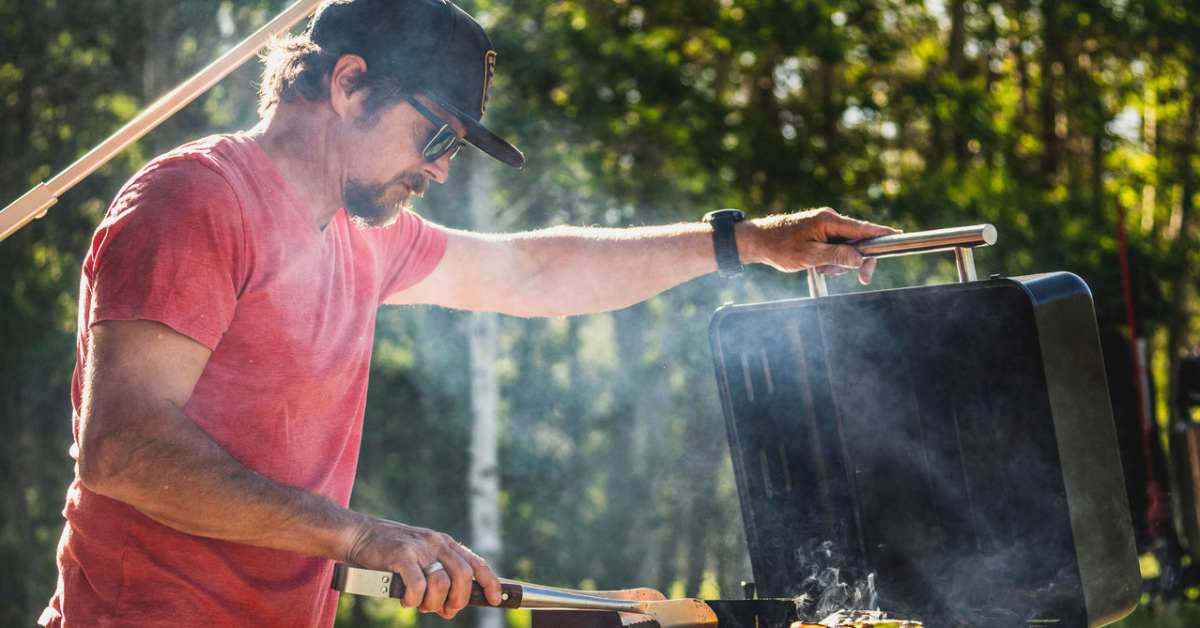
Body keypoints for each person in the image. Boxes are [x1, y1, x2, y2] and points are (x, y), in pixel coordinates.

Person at [39, 0, 897, 626]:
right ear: (347, 85)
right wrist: (362, 537)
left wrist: (743, 242)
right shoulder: (195, 202)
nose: (442, 171)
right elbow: (123, 449)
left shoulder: (360, 235)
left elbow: (532, 269)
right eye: (438, 137)